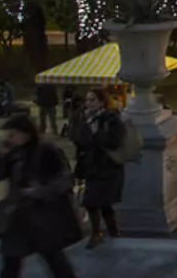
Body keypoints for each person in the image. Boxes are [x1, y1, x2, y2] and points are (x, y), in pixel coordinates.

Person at [0, 114, 82, 278]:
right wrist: (1, 155)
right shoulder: (12, 152)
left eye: (13, 134)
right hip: (17, 215)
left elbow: (65, 179)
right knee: (11, 262)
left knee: (54, 258)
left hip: (42, 215)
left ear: (26, 134)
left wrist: (41, 191)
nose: (10, 138)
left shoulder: (46, 151)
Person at [69, 87, 125, 248]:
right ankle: (113, 232)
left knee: (92, 201)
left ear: (102, 101)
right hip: (91, 166)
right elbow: (80, 143)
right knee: (103, 203)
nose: (88, 103)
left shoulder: (111, 118)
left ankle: (97, 233)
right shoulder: (85, 118)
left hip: (108, 167)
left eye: (92, 100)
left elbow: (114, 142)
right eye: (87, 100)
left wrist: (96, 133)